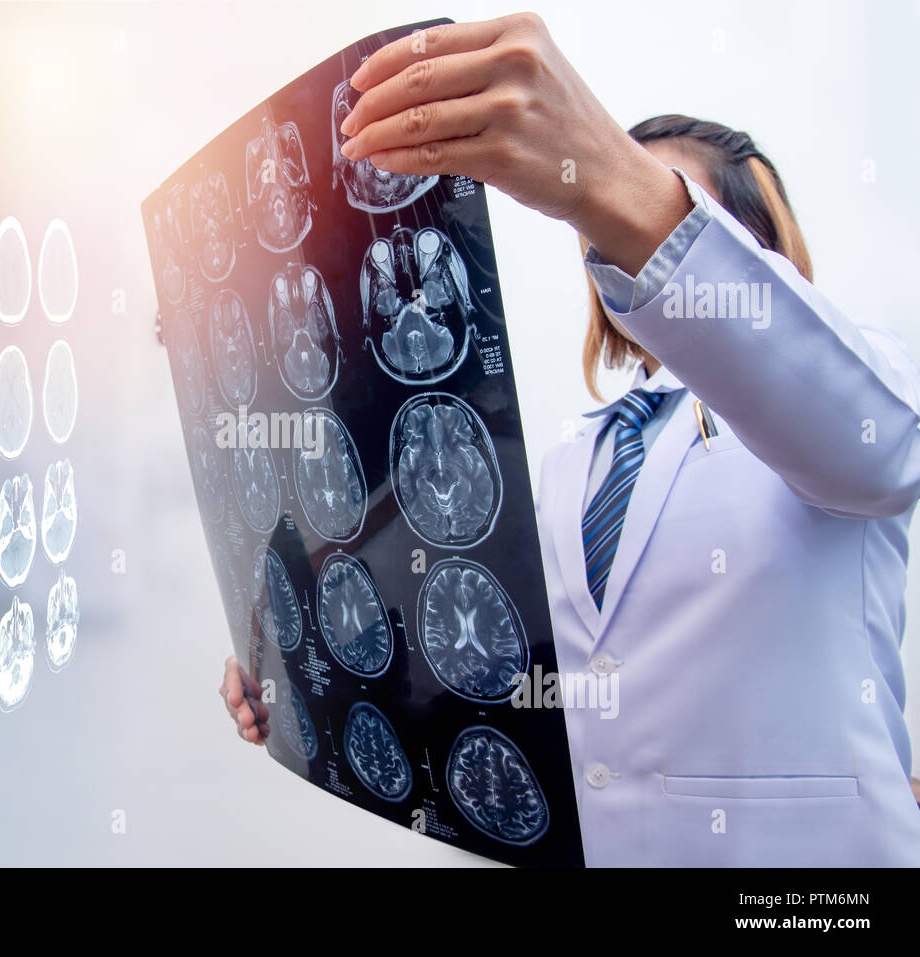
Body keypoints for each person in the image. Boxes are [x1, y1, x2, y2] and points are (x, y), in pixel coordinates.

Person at [220, 13, 920, 866]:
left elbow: (878, 448)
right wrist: (298, 678)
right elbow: (475, 681)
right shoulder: (565, 460)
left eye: (652, 205)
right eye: (599, 227)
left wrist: (600, 173)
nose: (610, 242)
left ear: (755, 251)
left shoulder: (861, 383)